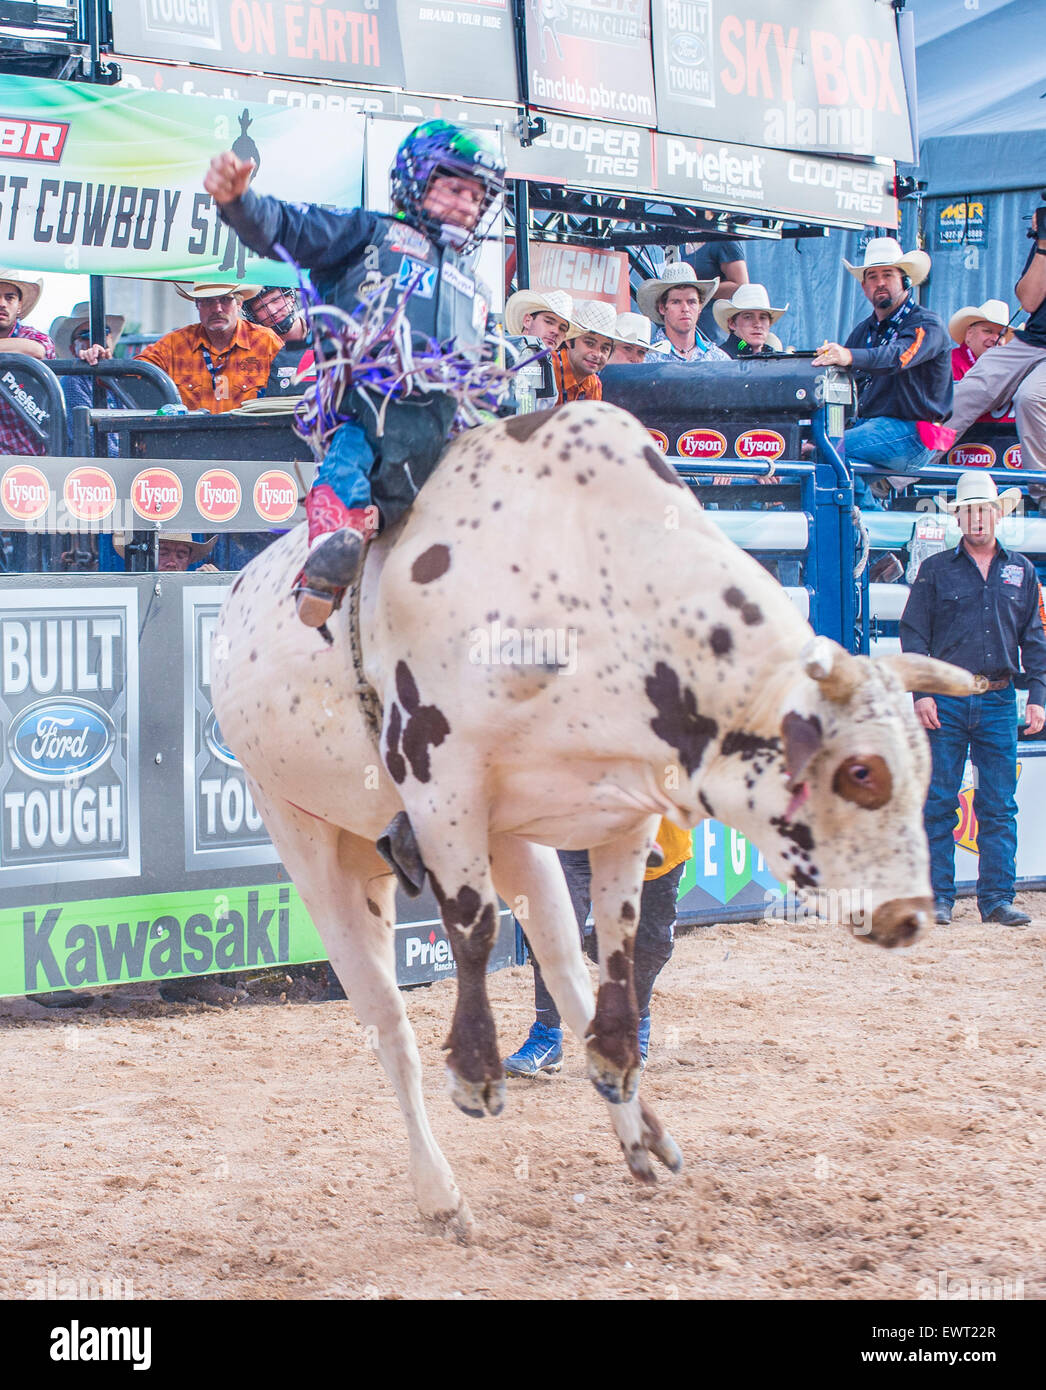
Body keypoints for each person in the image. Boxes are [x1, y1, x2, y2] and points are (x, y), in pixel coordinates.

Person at [205, 119, 506, 629]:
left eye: (478, 197)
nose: (466, 205)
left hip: (445, 436)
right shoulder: (370, 234)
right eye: (454, 188)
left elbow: (493, 373)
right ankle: (325, 562)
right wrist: (241, 203)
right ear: (417, 182)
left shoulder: (477, 290)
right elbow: (291, 227)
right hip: (366, 408)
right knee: (351, 457)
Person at [899, 472, 1046, 927]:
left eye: (984, 510)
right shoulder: (935, 570)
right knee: (939, 798)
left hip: (1000, 699)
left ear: (997, 515)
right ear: (959, 518)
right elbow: (913, 634)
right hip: (946, 698)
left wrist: (1038, 696)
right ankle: (938, 897)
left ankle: (997, 898)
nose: (977, 518)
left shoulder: (1022, 571)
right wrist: (922, 693)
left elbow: (1035, 639)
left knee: (998, 802)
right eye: (969, 511)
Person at [503, 819, 694, 1076]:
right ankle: (546, 1036)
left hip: (657, 844)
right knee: (550, 926)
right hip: (579, 831)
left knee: (650, 946)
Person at [813, 238, 952, 507]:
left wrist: (848, 355)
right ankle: (867, 530)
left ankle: (869, 529)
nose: (880, 283)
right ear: (864, 287)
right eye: (872, 277)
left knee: (828, 449)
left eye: (888, 274)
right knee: (821, 450)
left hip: (914, 433)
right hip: (871, 427)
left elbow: (898, 356)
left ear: (905, 281)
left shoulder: (926, 324)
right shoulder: (864, 330)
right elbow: (845, 378)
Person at [934, 202, 1046, 469]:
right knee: (964, 394)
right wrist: (1043, 243)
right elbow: (1029, 302)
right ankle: (896, 479)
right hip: (1033, 341)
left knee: (1031, 397)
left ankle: (1042, 495)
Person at [136, 282, 282, 414]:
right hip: (190, 440)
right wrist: (112, 363)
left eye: (225, 299)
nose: (217, 309)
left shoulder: (266, 342)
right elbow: (132, 374)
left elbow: (290, 390)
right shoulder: (173, 344)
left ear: (239, 304)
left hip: (250, 439)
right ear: (197, 306)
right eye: (207, 301)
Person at [50, 301, 126, 453]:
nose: (95, 341)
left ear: (110, 338)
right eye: (85, 335)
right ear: (73, 348)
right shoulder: (73, 380)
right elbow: (93, 445)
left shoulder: (125, 375)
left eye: (104, 331)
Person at [0, 269, 56, 457]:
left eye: (9, 298)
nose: (2, 304)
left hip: (30, 460)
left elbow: (39, 350)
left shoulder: (32, 336)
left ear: (19, 306)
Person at [638, 264, 729, 364]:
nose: (685, 309)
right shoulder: (644, 357)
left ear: (700, 307)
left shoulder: (718, 359)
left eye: (691, 302)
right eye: (676, 302)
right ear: (662, 308)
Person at [503, 288, 574, 412]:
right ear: (527, 321)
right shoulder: (501, 350)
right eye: (548, 322)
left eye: (562, 329)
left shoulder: (546, 366)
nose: (555, 331)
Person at [948, 299, 1015, 425]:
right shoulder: (948, 364)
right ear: (969, 334)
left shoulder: (1012, 370)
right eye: (988, 331)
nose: (995, 339)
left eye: (1001, 334)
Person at [679, 232, 749, 345]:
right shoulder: (680, 244)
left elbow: (741, 285)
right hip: (684, 334)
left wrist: (699, 291)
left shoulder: (723, 241)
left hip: (713, 334)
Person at [550, 299, 616, 402]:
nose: (597, 354)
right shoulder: (547, 368)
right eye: (590, 343)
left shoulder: (594, 383)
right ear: (568, 340)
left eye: (605, 349)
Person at [713, 284, 788, 358]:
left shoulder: (775, 358)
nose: (758, 324)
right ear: (732, 323)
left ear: (769, 323)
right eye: (748, 317)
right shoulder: (719, 358)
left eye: (762, 317)